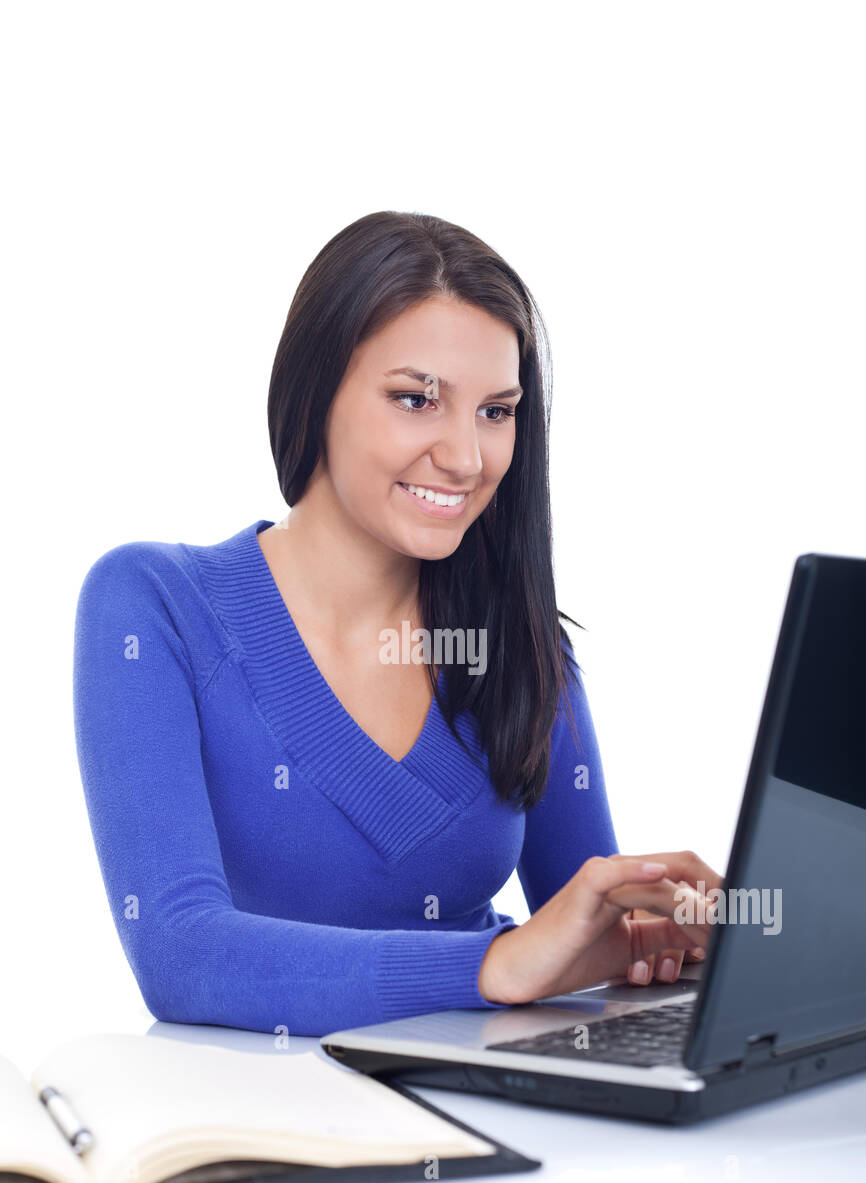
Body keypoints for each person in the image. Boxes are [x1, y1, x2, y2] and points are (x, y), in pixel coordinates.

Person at [72, 210, 717, 1037]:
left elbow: (574, 934)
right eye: (417, 400)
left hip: (506, 1116)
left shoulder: (522, 647)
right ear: (316, 390)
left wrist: (657, 931)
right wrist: (492, 966)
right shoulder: (153, 605)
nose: (466, 457)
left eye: (496, 411)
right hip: (257, 1122)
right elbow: (180, 955)